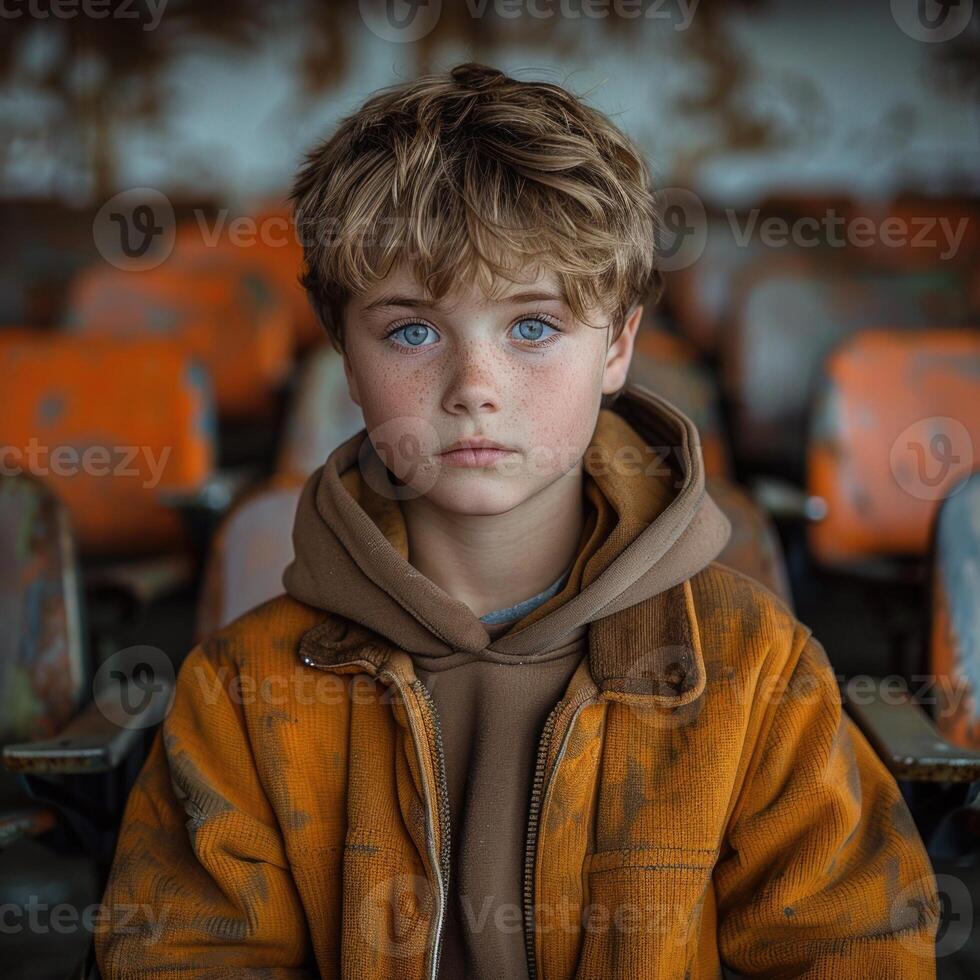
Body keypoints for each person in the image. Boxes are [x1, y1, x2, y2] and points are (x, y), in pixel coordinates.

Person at [96, 62, 940, 978]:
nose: (474, 391)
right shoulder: (242, 689)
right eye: (413, 330)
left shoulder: (753, 671)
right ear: (344, 349)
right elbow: (182, 957)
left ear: (617, 343)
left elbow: (854, 948)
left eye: (532, 327)